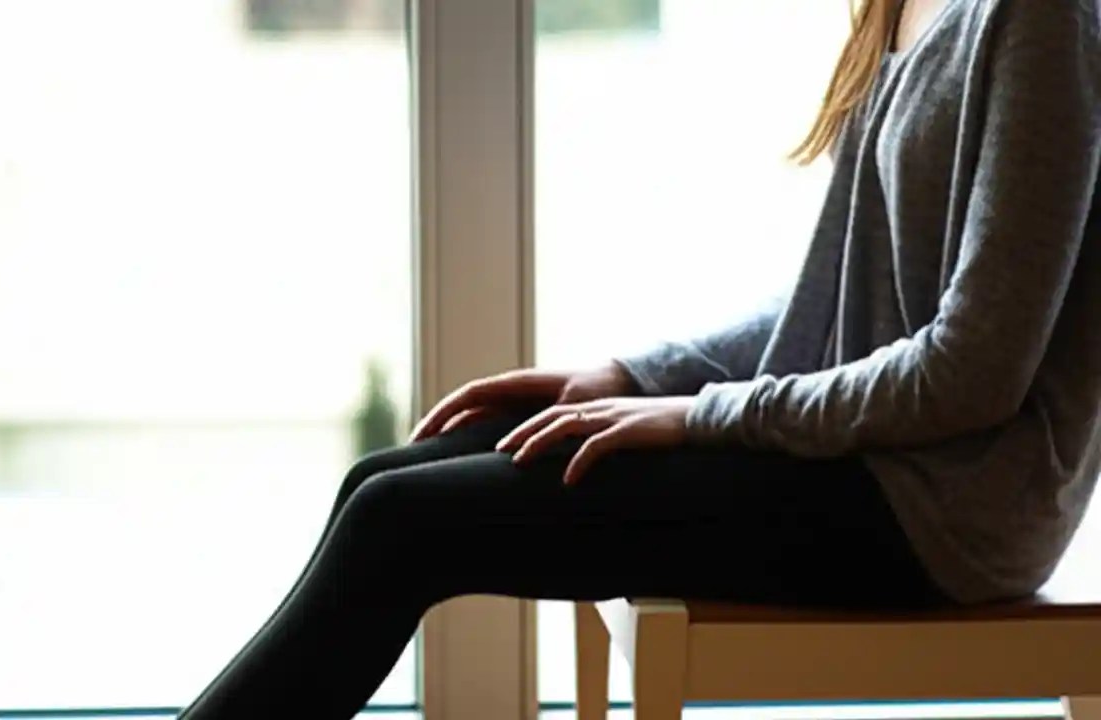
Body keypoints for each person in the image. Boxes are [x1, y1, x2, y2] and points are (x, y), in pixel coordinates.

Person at [179, 0, 1101, 716]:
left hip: (946, 510)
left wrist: (696, 416)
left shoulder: (1044, 19)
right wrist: (638, 378)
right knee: (386, 477)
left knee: (399, 522)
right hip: (862, 461)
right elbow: (836, 300)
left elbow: (974, 372)